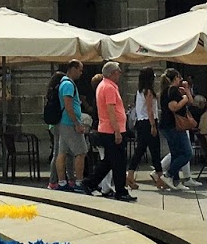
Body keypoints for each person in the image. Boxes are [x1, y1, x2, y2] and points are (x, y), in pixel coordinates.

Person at [94, 61, 133, 202]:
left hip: (107, 129)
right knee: (119, 163)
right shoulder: (109, 88)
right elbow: (111, 111)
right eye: (118, 71)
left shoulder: (103, 85)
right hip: (112, 131)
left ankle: (89, 183)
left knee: (110, 162)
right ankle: (120, 191)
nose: (120, 73)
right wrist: (117, 131)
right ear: (111, 74)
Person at [51, 60, 88, 192]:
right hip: (69, 123)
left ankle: (61, 182)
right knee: (81, 152)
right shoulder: (68, 84)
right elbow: (68, 106)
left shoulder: (64, 83)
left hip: (64, 122)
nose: (81, 73)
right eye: (80, 70)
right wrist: (77, 123)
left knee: (62, 152)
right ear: (73, 69)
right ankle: (78, 182)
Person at [128, 68, 165, 192]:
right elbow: (150, 109)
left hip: (140, 122)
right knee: (155, 149)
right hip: (148, 122)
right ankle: (160, 177)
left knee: (140, 150)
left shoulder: (139, 92)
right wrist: (153, 125)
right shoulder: (148, 91)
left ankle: (131, 174)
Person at [159, 69, 195, 190]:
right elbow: (173, 107)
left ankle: (176, 181)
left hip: (167, 126)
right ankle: (168, 175)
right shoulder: (172, 90)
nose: (181, 79)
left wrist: (187, 90)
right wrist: (184, 98)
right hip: (174, 126)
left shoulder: (167, 91)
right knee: (187, 153)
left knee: (175, 154)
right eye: (179, 77)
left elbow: (191, 102)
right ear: (176, 78)